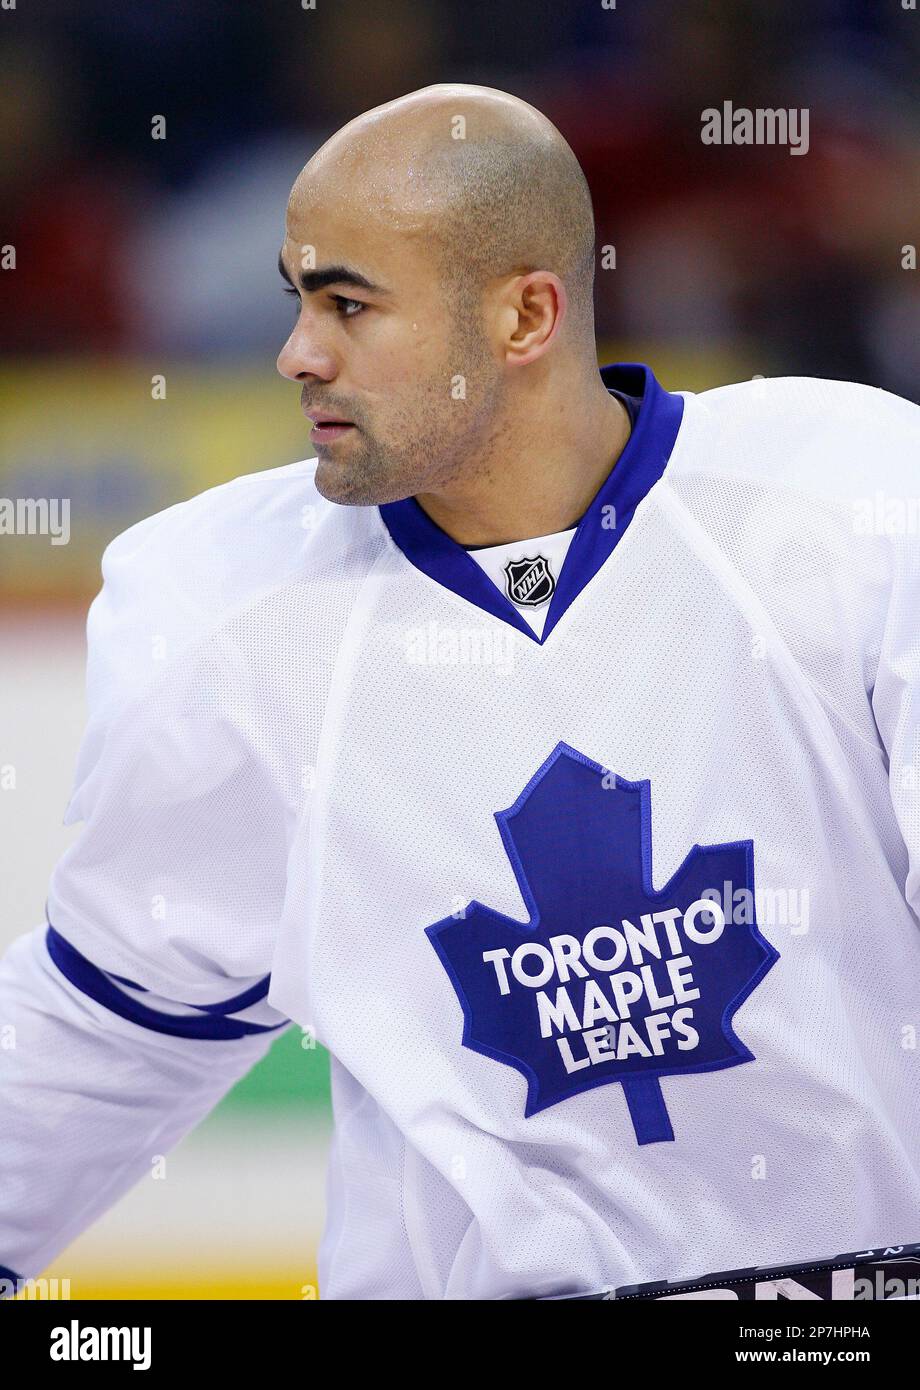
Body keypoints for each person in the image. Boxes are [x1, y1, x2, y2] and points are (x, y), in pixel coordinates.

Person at [1, 83, 919, 1302]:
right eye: (296, 299)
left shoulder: (848, 506)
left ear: (525, 314)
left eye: (347, 304)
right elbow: (107, 1026)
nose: (295, 353)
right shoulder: (230, 617)